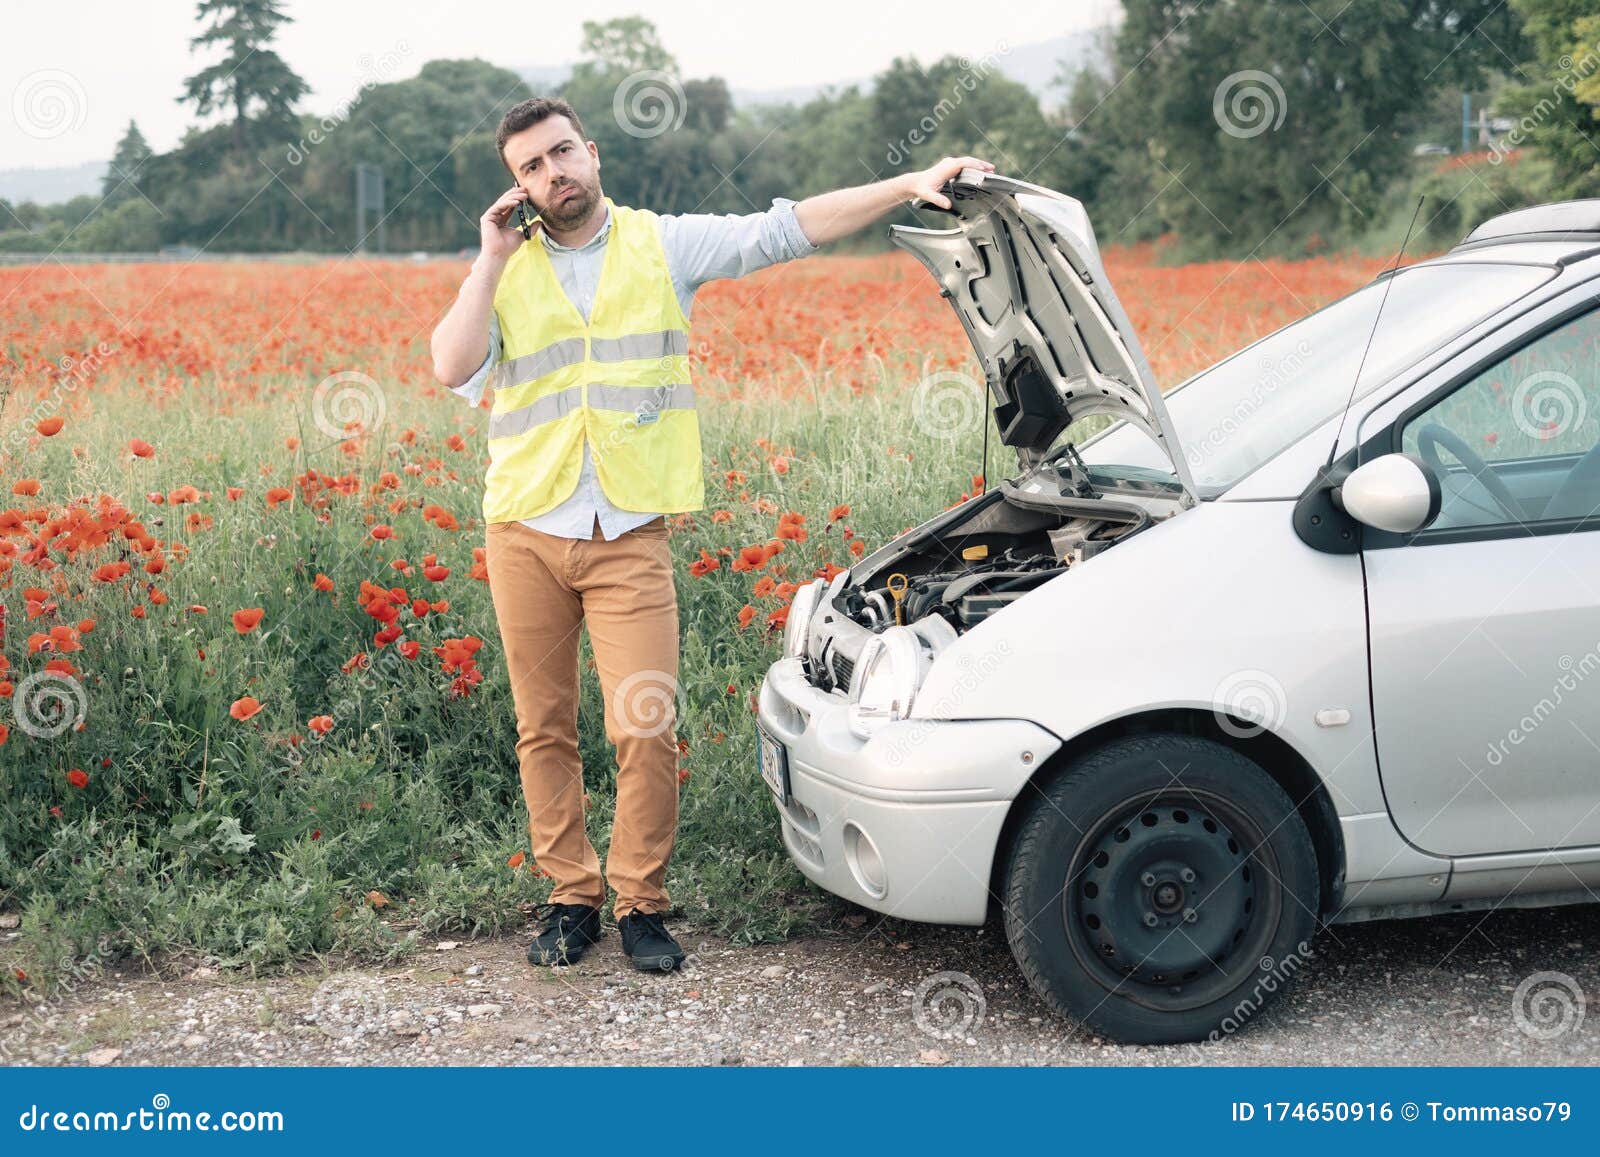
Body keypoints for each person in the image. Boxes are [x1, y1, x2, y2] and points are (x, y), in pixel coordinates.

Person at [430, 94, 991, 972]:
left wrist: (908, 183)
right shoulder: (504, 267)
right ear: (517, 188)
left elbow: (786, 229)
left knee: (644, 724)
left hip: (627, 534)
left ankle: (641, 903)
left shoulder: (664, 244)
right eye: (530, 168)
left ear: (593, 150)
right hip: (525, 530)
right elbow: (451, 366)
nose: (552, 174)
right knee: (543, 725)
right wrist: (488, 256)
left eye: (561, 153)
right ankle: (569, 895)